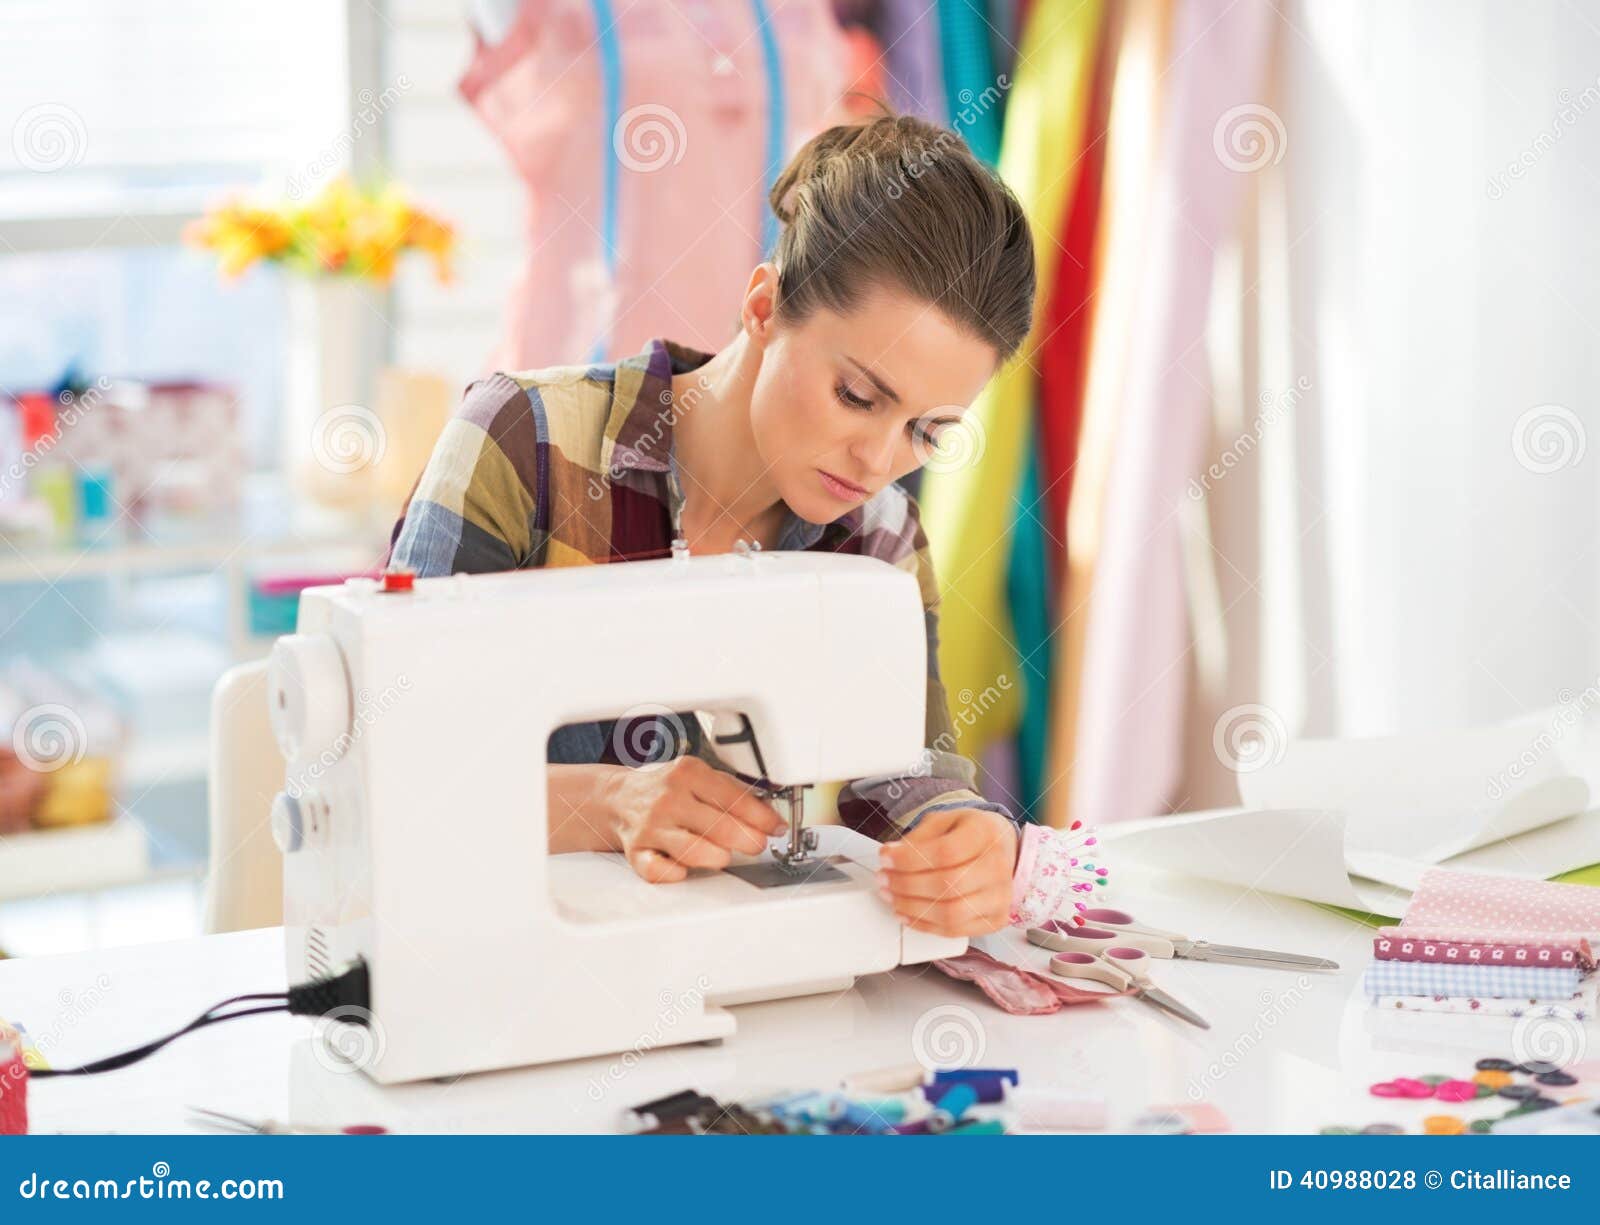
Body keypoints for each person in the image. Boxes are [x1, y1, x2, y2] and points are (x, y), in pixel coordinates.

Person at [385, 112, 1037, 938]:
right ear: (765, 306)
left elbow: (906, 778)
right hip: (485, 957)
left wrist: (967, 837)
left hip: (713, 986)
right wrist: (605, 802)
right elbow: (391, 764)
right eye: (859, 397)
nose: (879, 459)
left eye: (927, 431)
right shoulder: (524, 444)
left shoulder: (877, 538)